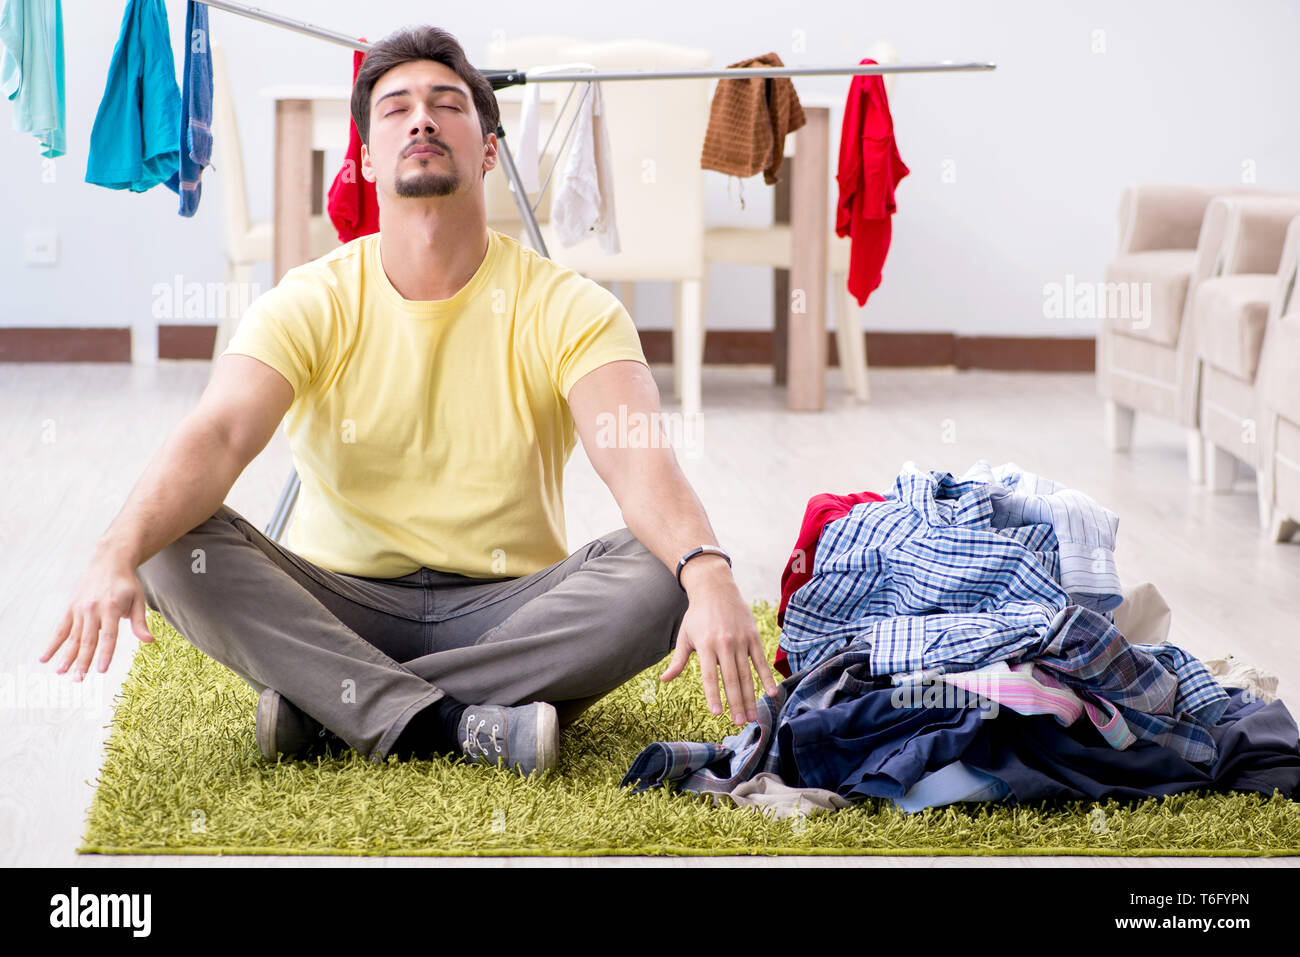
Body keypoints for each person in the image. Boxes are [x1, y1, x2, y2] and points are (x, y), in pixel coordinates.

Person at [39, 25, 778, 776]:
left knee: (662, 572)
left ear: (490, 147)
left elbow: (637, 463)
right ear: (365, 157)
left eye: (445, 103)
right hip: (337, 611)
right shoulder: (311, 298)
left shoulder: (572, 306)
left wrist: (708, 569)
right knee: (166, 540)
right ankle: (462, 723)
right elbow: (221, 432)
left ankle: (338, 710)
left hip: (512, 612)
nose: (420, 118)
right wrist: (113, 551)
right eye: (395, 108)